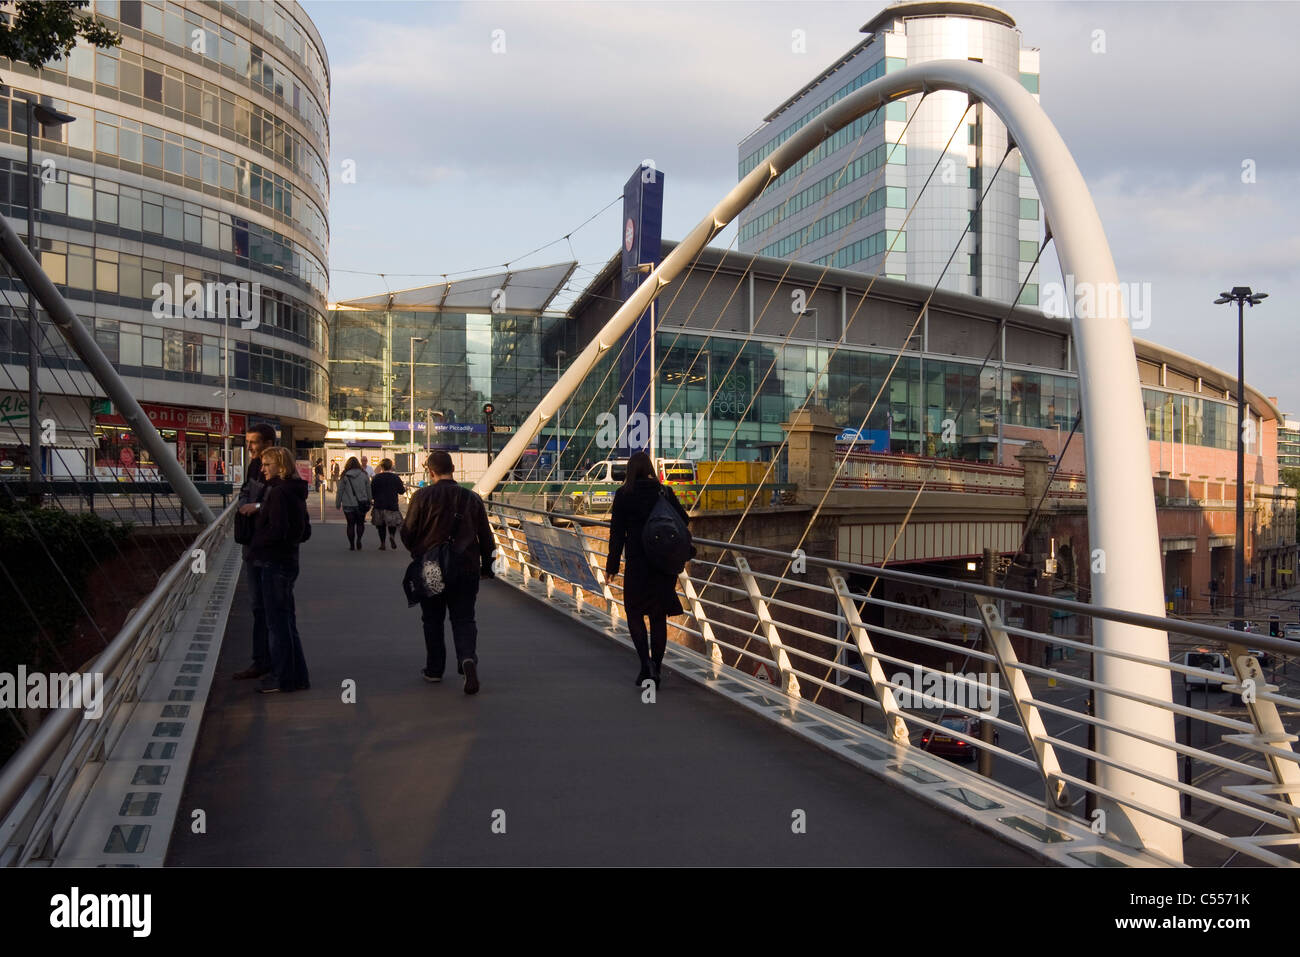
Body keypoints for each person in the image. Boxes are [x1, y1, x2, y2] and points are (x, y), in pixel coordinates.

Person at [401, 450, 495, 694]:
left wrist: (420, 552)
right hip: (466, 567)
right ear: (453, 469)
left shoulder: (422, 496)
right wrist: (487, 568)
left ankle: (434, 670)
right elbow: (486, 538)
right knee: (463, 618)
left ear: (430, 471)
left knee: (432, 619)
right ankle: (467, 659)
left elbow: (407, 532)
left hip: (431, 567)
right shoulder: (472, 499)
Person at [605, 450, 691, 687]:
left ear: (630, 471)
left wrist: (612, 566)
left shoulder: (624, 495)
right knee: (657, 616)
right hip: (662, 564)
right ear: (651, 469)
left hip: (637, 563)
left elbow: (616, 534)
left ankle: (645, 665)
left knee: (634, 613)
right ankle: (658, 669)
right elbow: (683, 520)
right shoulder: (664, 492)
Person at [248, 446, 311, 693]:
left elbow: (277, 530)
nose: (262, 469)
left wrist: (257, 544)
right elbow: (305, 530)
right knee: (286, 620)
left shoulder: (277, 493)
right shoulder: (296, 492)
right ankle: (296, 675)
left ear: (281, 466)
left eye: (267, 465)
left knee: (277, 623)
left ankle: (282, 677)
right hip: (288, 560)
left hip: (273, 561)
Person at [233, 423, 277, 681]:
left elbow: (281, 498)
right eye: (247, 441)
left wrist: (257, 505)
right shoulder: (253, 467)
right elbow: (244, 493)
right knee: (257, 606)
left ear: (268, 443)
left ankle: (273, 664)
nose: (249, 447)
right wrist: (246, 504)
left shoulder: (280, 468)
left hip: (269, 549)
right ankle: (261, 661)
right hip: (252, 545)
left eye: (254, 442)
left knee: (271, 607)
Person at [334, 456, 371, 549]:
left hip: (348, 504)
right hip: (361, 504)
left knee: (350, 525)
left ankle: (351, 545)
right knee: (360, 523)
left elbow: (340, 491)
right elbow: (368, 489)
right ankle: (359, 539)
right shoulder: (364, 474)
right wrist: (370, 500)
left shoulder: (344, 475)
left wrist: (338, 503)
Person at [370, 458, 407, 550]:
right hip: (392, 505)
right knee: (392, 524)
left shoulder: (376, 478)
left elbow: (371, 491)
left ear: (381, 467)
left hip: (379, 505)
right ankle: (392, 536)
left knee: (381, 525)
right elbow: (401, 491)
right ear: (391, 466)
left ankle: (382, 544)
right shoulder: (395, 478)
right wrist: (404, 488)